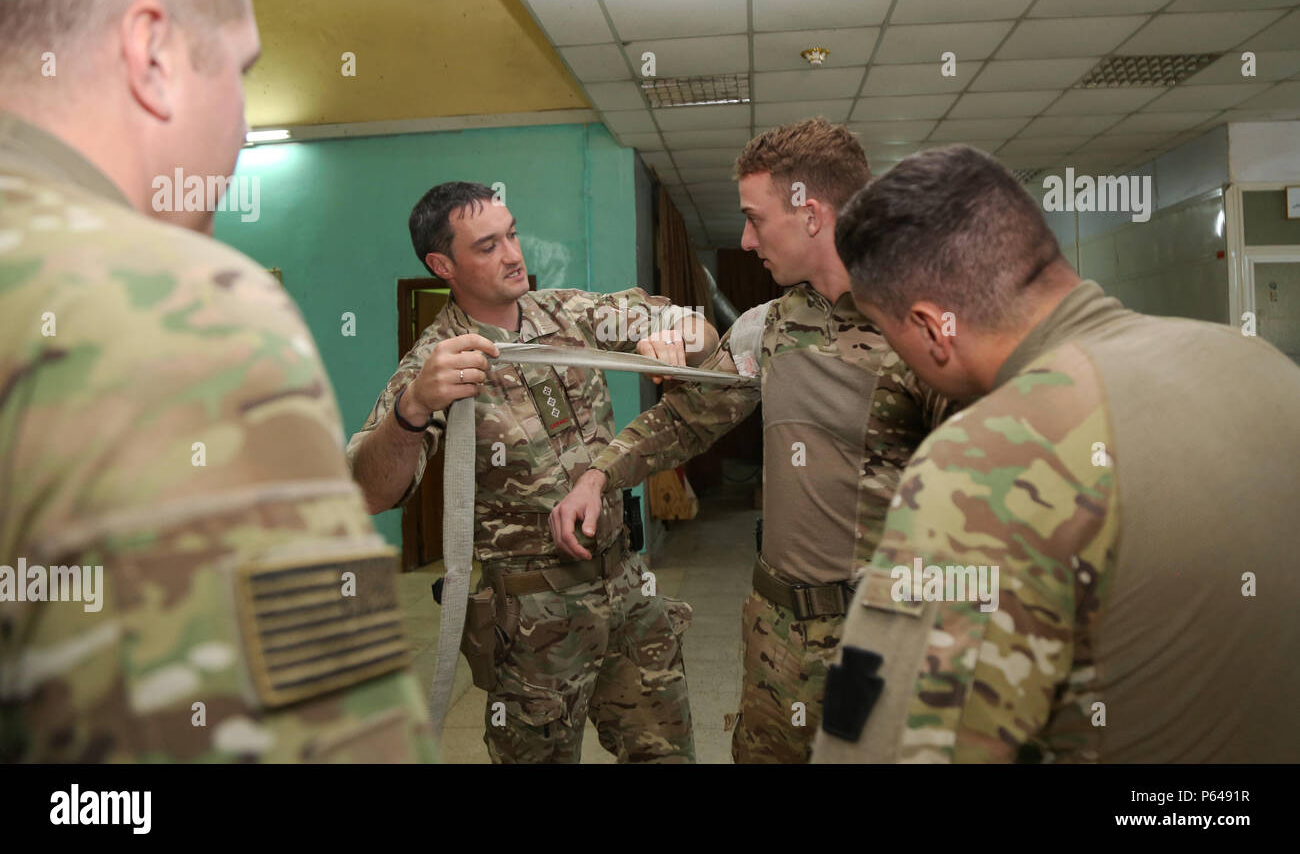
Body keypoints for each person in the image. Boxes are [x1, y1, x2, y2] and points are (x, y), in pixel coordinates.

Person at [0, 0, 435, 763]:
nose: (240, 119)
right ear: (152, 54)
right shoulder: (173, 304)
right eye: (237, 71)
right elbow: (332, 745)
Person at [816, 144, 1300, 763]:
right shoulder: (1259, 363)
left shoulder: (992, 457)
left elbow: (893, 751)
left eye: (889, 334)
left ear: (934, 329)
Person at [549, 118, 951, 763]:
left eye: (754, 218)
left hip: (890, 634)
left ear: (810, 214)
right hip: (779, 634)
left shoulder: (928, 326)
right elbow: (688, 418)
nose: (744, 237)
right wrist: (598, 475)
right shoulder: (769, 327)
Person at [347, 180, 716, 763]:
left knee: (666, 753)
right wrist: (412, 408)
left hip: (626, 588)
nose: (514, 254)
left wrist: (677, 341)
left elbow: (697, 328)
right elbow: (366, 492)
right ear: (443, 264)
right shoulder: (437, 360)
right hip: (532, 628)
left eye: (512, 233)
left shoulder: (568, 313)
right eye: (488, 245)